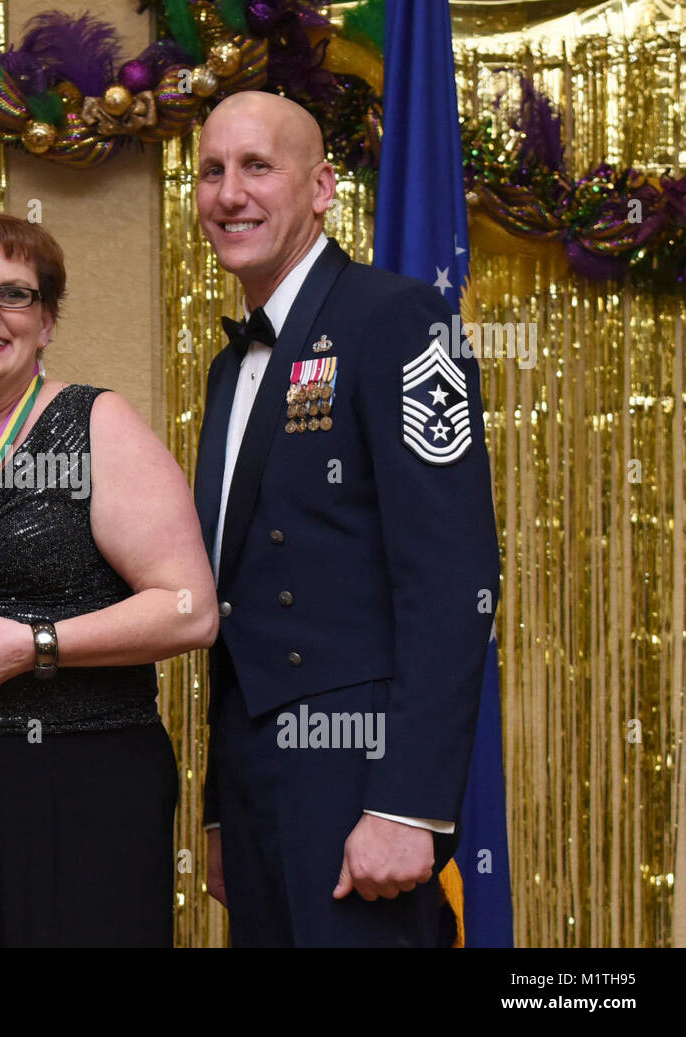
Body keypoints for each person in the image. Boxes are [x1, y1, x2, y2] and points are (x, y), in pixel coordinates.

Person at [194, 91, 500, 947]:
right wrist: (224, 810)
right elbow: (238, 601)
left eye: (258, 166)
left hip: (361, 773)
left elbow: (454, 576)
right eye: (212, 171)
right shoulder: (233, 365)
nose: (229, 193)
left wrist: (409, 803)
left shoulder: (396, 319)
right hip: (260, 784)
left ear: (323, 186)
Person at [0, 211, 218, 947]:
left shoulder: (98, 423)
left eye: (15, 294)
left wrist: (38, 644)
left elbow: (189, 610)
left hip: (77, 778)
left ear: (47, 320)